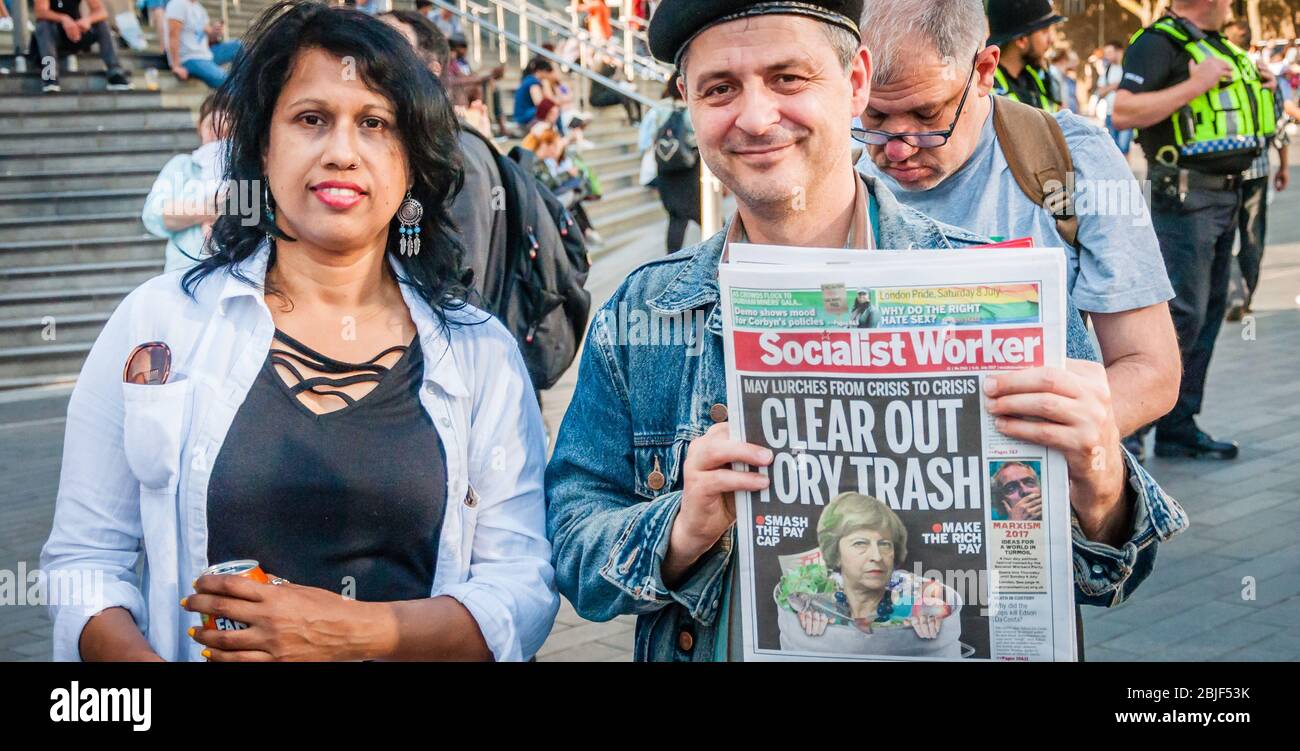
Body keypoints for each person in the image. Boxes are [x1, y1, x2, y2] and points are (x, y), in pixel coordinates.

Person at [546, 0, 1187, 662]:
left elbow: (1108, 574)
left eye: (788, 78)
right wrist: (681, 528)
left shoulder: (1003, 294)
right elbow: (569, 544)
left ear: (855, 82)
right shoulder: (643, 313)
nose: (757, 116)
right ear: (687, 101)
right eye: (719, 88)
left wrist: (1100, 478)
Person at [41, 1, 557, 663]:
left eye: (375, 124)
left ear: (410, 162)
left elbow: (519, 589)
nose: (342, 151)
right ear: (263, 144)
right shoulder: (158, 322)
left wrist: (351, 632)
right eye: (311, 119)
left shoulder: (481, 352)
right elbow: (86, 563)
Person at [855, 0, 1180, 457]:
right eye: (874, 118)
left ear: (985, 70)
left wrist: (1034, 446)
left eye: (928, 117)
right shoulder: (828, 161)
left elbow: (1150, 370)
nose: (900, 148)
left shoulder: (1079, 161)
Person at [1111, 0, 1278, 460]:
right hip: (1185, 196)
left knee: (1206, 310)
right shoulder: (1158, 44)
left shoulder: (1218, 45)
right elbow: (1124, 111)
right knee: (1180, 314)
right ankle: (1131, 434)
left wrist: (1260, 85)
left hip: (1227, 192)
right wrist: (1196, 84)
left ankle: (1179, 426)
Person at [793, 493, 948, 641]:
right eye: (860, 543)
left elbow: (936, 602)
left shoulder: (907, 598)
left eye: (885, 544)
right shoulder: (820, 600)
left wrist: (932, 619)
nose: (877, 556)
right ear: (836, 553)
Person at [142, 94, 229, 272]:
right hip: (182, 274)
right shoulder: (181, 166)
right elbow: (154, 214)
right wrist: (210, 208)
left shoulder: (249, 170)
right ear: (200, 127)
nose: (219, 136)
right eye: (212, 127)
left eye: (228, 129)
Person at [639, 72, 701, 253]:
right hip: (690, 171)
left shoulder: (657, 110)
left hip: (666, 171)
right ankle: (725, 252)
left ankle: (671, 261)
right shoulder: (693, 110)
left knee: (676, 217)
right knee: (704, 214)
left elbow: (644, 141)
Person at [32, 0, 132, 93]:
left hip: (75, 32)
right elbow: (40, 12)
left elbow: (101, 12)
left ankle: (115, 73)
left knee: (102, 24)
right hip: (52, 36)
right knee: (43, 25)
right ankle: (49, 76)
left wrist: (87, 20)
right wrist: (64, 18)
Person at [987, 0, 1063, 111]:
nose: (1051, 40)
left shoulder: (1041, 80)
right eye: (1044, 31)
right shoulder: (986, 88)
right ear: (1022, 40)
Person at [165, 0, 241, 88]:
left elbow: (208, 38)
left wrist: (215, 32)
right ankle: (244, 97)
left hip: (206, 55)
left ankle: (247, 81)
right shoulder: (177, 4)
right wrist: (176, 66)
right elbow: (173, 34)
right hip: (189, 58)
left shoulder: (200, 9)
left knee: (237, 46)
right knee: (225, 79)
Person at [1095, 40, 1133, 155]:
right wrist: (1115, 86)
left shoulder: (1129, 67)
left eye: (1109, 52)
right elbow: (1100, 92)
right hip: (1110, 114)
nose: (1106, 55)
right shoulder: (1107, 70)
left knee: (1123, 147)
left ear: (1119, 51)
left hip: (1126, 114)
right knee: (1113, 150)